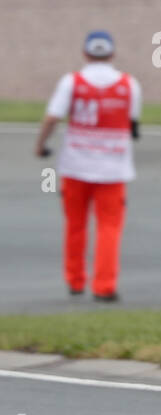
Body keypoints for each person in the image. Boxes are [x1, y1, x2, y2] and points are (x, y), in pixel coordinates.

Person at [35, 31, 141, 302]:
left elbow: (52, 117)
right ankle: (104, 286)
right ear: (112, 54)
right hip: (113, 169)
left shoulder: (71, 82)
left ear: (85, 54)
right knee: (109, 227)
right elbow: (133, 125)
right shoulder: (130, 84)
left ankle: (75, 280)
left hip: (76, 166)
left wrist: (41, 145)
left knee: (75, 225)